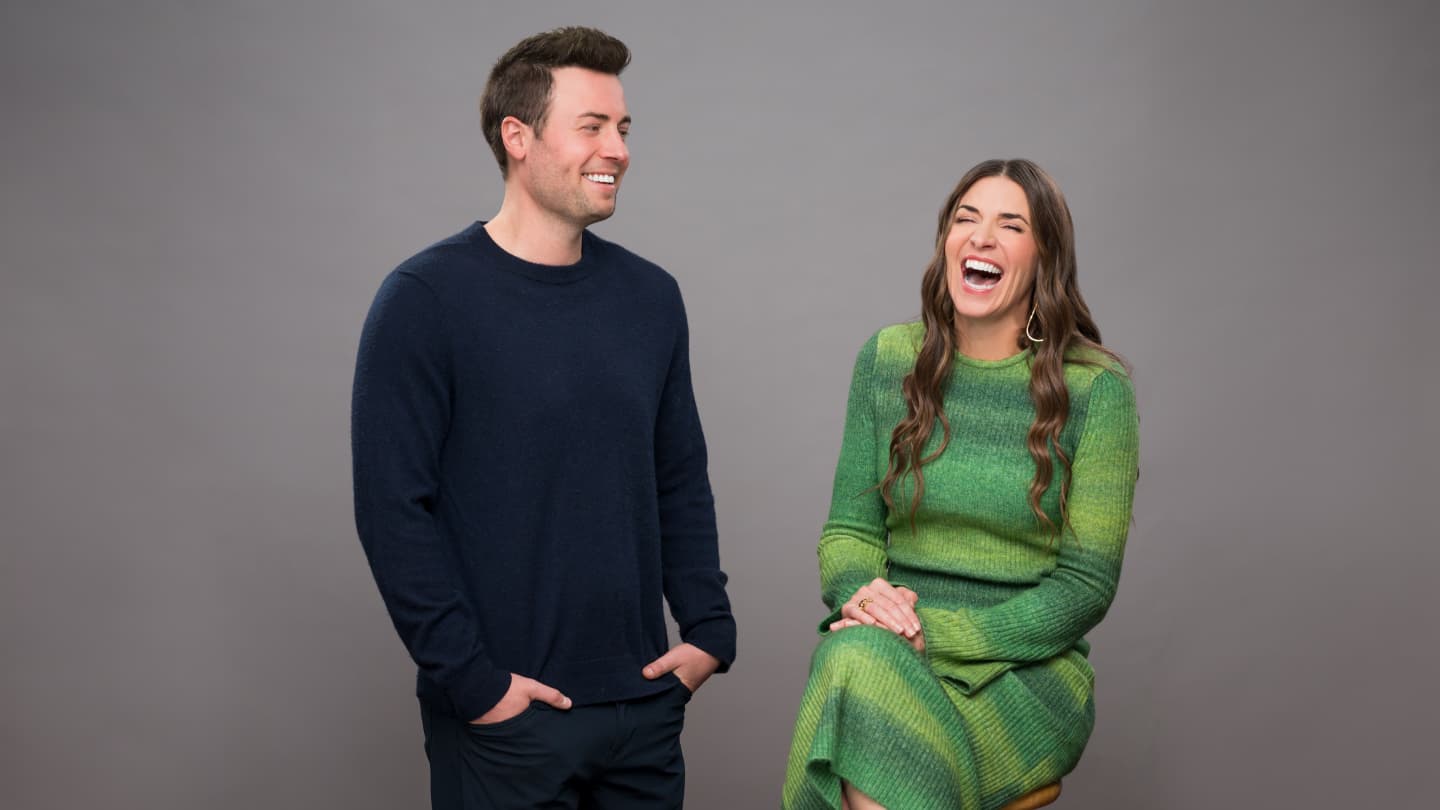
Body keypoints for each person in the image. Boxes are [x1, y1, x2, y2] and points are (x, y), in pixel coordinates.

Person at [350, 26, 735, 810]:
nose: (617, 149)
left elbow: (678, 479)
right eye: (591, 127)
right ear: (517, 138)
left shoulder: (651, 299)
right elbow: (392, 510)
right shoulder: (426, 300)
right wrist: (474, 683)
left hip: (642, 709)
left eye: (622, 128)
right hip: (504, 720)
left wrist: (709, 631)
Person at [782, 159, 1139, 810]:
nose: (981, 237)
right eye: (966, 219)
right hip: (891, 647)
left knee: (854, 671)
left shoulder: (1096, 390)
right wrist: (867, 599)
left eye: (1011, 226)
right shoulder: (888, 360)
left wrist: (930, 635)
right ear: (945, 240)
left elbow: (1085, 587)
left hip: (1024, 674)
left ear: (1045, 257)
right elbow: (850, 531)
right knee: (856, 662)